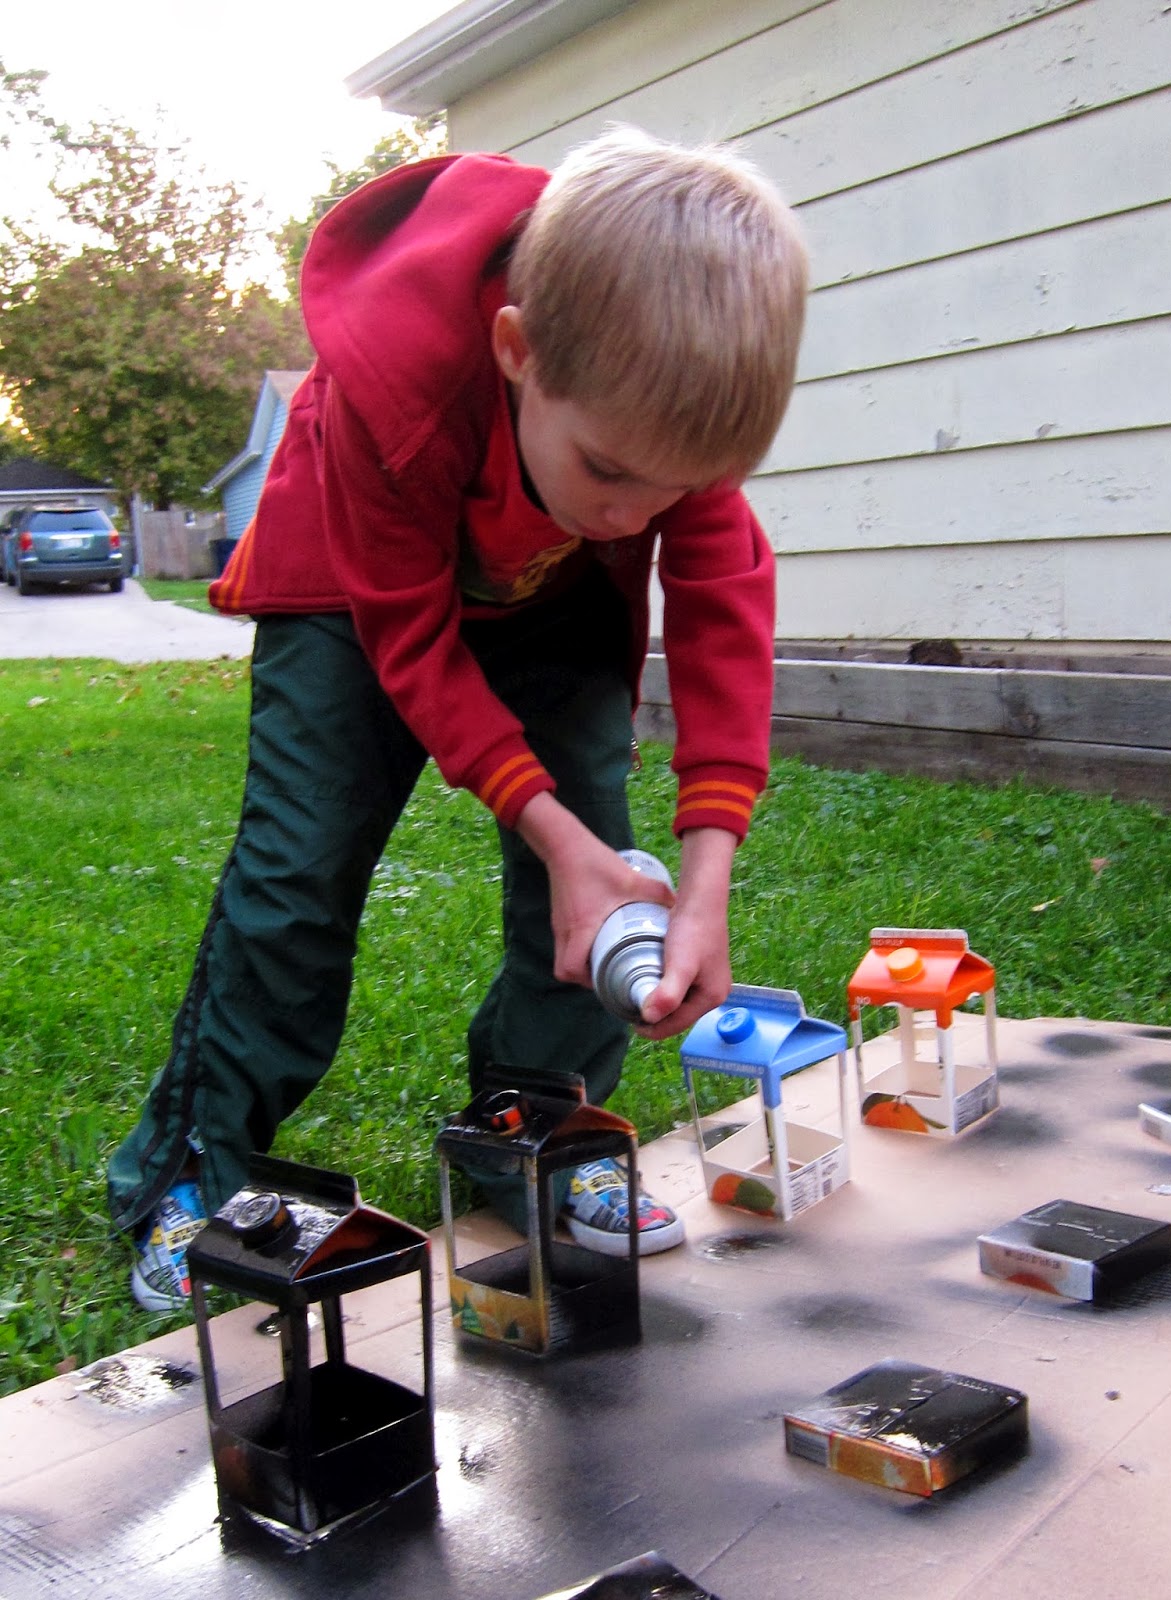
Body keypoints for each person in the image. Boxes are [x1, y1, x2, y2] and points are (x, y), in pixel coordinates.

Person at [110, 125, 809, 1312]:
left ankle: (540, 1134)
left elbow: (719, 627)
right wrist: (542, 828)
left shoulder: (657, 428)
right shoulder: (402, 373)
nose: (635, 514)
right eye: (611, 470)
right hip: (352, 583)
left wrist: (703, 882)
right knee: (300, 868)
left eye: (675, 489)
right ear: (517, 351)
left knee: (595, 869)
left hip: (544, 593)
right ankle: (198, 1170)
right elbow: (411, 643)